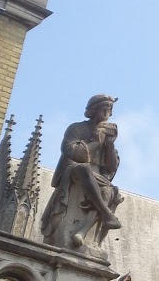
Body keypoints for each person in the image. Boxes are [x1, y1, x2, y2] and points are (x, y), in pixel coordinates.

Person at [41, 94, 122, 250]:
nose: (107, 113)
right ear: (93, 110)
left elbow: (111, 168)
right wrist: (95, 141)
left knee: (107, 191)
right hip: (73, 171)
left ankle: (83, 231)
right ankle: (107, 213)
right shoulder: (76, 128)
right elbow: (71, 152)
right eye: (103, 108)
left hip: (98, 177)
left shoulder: (108, 134)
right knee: (83, 168)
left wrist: (110, 144)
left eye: (109, 109)